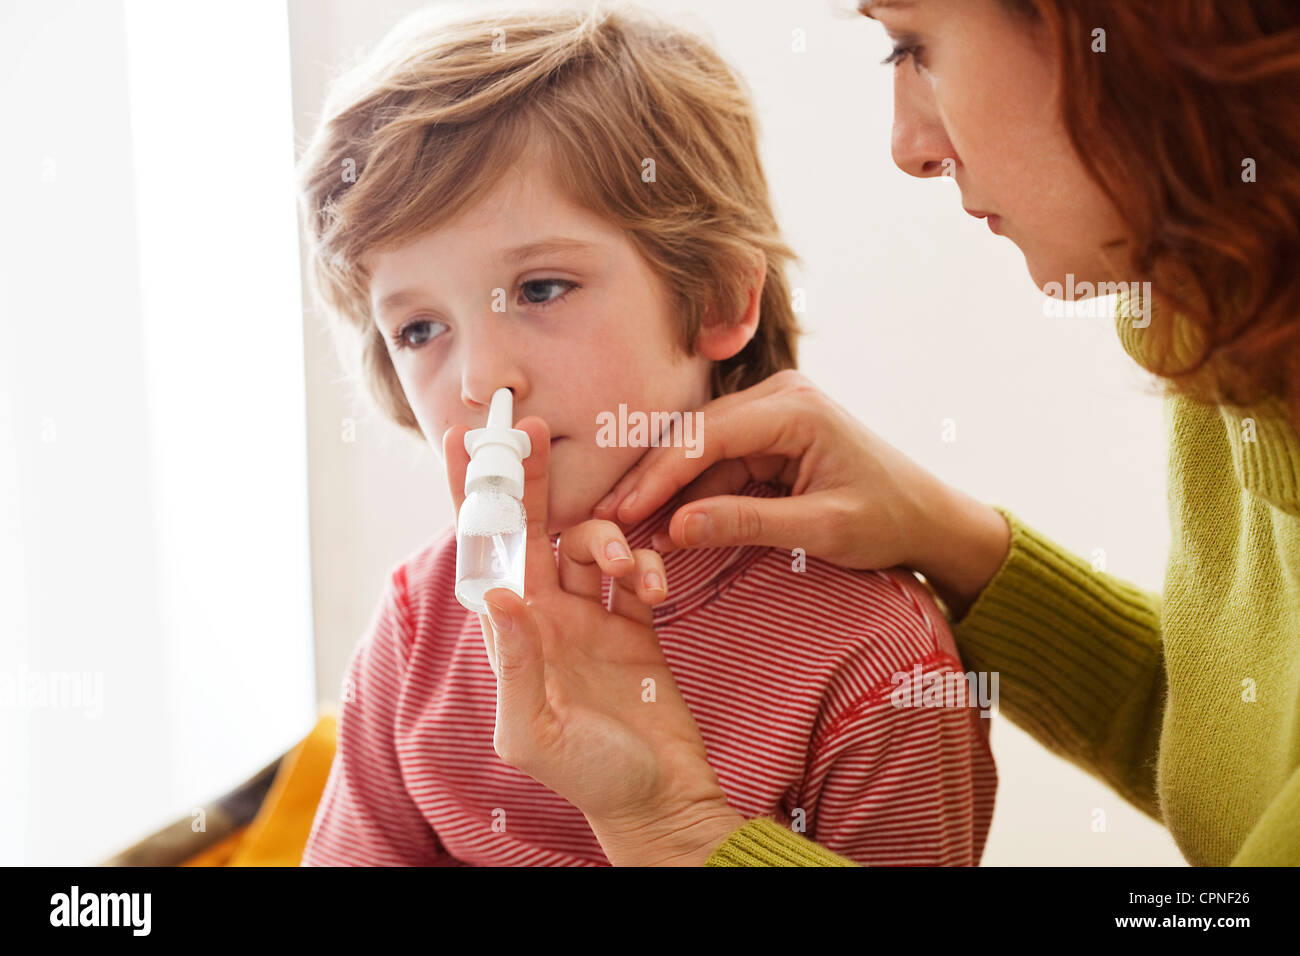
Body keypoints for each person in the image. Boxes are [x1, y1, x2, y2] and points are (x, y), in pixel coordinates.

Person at [472, 0, 1300, 866]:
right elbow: (1242, 750)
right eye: (416, 329)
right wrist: (954, 541)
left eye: (914, 46)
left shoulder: (881, 666)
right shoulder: (1226, 331)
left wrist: (673, 829)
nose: (909, 147)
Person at [295, 4, 996, 866]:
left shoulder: (873, 657)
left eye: (542, 288)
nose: (480, 380)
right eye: (418, 329)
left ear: (720, 301)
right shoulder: (420, 622)